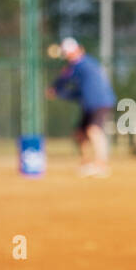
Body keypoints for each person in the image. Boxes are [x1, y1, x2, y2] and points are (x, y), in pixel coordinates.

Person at [46, 37, 116, 177]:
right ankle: (86, 163)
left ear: (78, 50)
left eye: (70, 52)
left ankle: (102, 165)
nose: (69, 55)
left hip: (100, 102)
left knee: (94, 130)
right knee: (79, 133)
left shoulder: (80, 65)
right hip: (90, 103)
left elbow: (64, 79)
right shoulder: (80, 65)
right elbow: (76, 89)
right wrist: (59, 91)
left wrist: (56, 90)